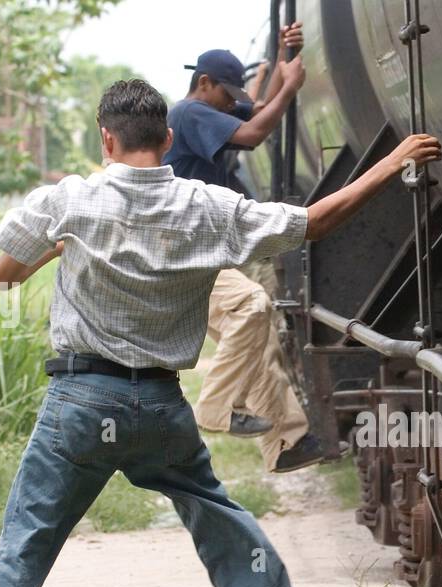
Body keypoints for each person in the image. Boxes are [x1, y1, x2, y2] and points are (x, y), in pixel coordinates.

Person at [0, 78, 442, 587]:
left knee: (25, 547)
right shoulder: (210, 206)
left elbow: (3, 274)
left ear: (105, 138)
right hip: (158, 406)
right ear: (170, 140)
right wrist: (392, 160)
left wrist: (64, 247)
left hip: (80, 403)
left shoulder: (73, 199)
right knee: (227, 525)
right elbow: (314, 222)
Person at [164, 25, 324, 473]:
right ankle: (215, 407)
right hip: (185, 250)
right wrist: (290, 86)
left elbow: (255, 108)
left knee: (256, 339)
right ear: (203, 83)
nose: (231, 102)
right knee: (251, 309)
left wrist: (282, 53)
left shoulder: (210, 110)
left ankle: (287, 442)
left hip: (204, 248)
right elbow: (255, 130)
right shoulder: (190, 112)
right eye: (225, 93)